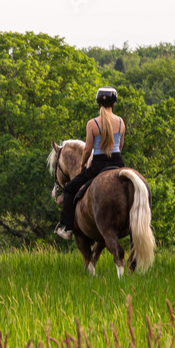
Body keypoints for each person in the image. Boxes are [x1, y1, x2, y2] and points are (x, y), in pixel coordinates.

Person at [55, 86, 126, 240]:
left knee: (69, 190)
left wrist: (82, 165)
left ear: (98, 103)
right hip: (118, 162)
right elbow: (120, 147)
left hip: (99, 164)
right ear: (114, 103)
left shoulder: (92, 123)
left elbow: (87, 149)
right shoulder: (121, 122)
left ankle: (67, 228)